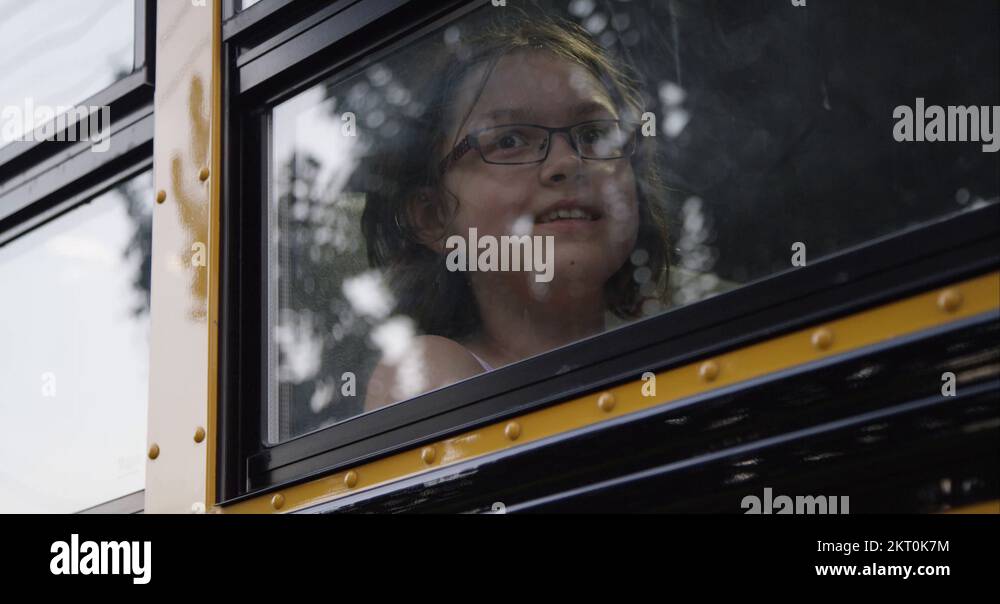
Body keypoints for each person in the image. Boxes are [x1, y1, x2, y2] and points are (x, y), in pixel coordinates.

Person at [361, 10, 670, 411]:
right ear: (433, 217)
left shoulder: (667, 345)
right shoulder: (429, 369)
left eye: (594, 134)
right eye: (508, 141)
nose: (566, 163)